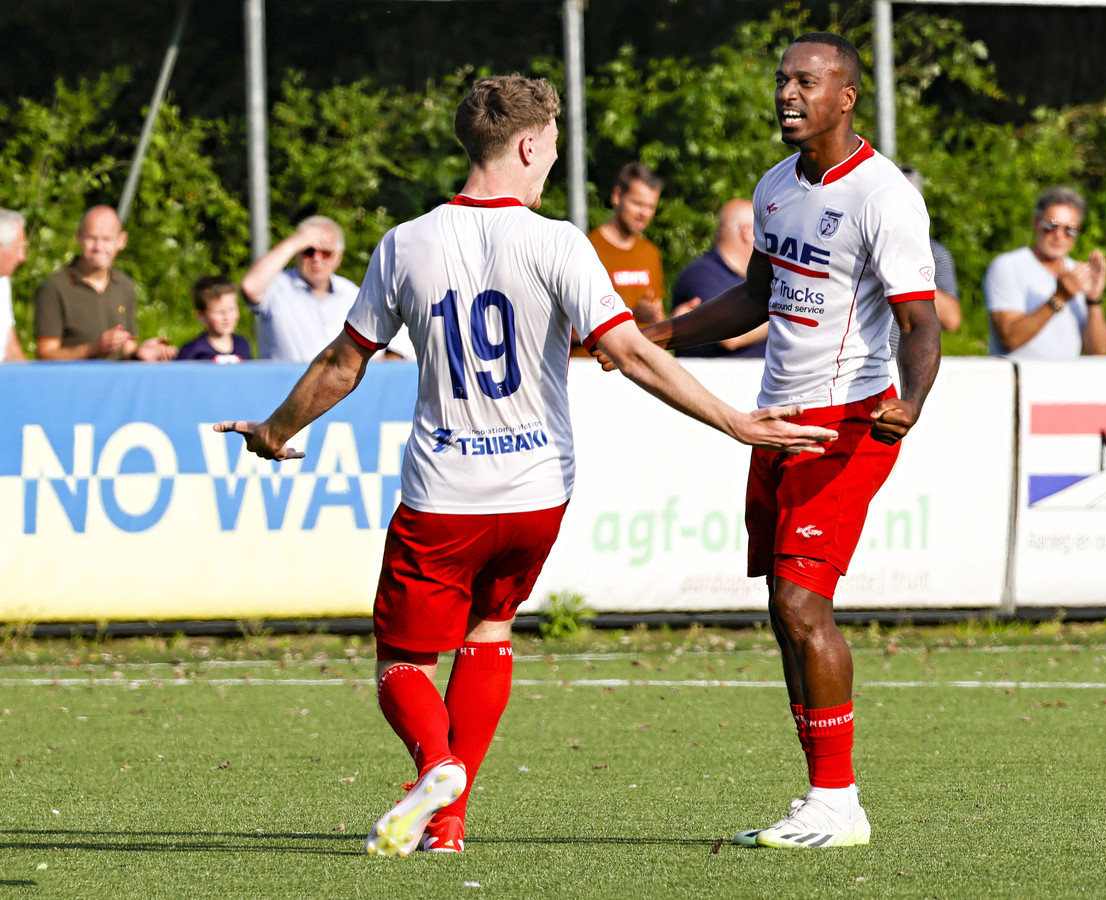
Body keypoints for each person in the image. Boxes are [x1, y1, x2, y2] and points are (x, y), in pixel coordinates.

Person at [213, 74, 835, 858]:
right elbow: (632, 354)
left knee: (402, 662)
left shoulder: (406, 242)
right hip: (537, 492)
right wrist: (733, 422)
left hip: (442, 495)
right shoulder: (557, 242)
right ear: (529, 144)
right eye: (551, 148)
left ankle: (435, 768)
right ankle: (447, 828)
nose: (550, 164)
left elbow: (344, 361)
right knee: (491, 627)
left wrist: (275, 430)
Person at [606, 32, 942, 850]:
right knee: (783, 608)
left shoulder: (883, 196)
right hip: (776, 419)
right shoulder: (774, 187)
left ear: (845, 97)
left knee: (800, 601)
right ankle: (824, 798)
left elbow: (919, 322)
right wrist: (659, 336)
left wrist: (915, 399)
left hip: (850, 420)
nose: (786, 93)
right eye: (782, 79)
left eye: (805, 81)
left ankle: (836, 799)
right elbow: (753, 298)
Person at [33, 206, 176, 361]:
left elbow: (128, 348)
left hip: (118, 383)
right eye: (92, 238)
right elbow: (45, 355)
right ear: (79, 237)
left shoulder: (125, 286)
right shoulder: (54, 287)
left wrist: (141, 354)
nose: (98, 247)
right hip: (74, 382)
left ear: (121, 241)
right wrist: (93, 349)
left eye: (107, 239)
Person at [983, 186, 1106, 358]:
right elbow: (1010, 338)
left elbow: (1097, 352)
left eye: (1069, 230)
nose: (1059, 235)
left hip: (1065, 382)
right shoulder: (1007, 266)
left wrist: (1094, 300)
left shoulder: (1077, 274)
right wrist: (1059, 298)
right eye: (1051, 226)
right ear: (1036, 223)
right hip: (1019, 381)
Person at [240, 215, 360, 362]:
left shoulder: (352, 294)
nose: (317, 258)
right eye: (308, 251)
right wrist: (294, 242)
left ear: (338, 257)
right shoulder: (276, 286)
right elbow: (250, 287)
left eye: (326, 253)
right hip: (283, 384)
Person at [670, 198, 768, 358]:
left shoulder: (757, 277)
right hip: (710, 381)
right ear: (747, 232)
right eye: (764, 231)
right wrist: (785, 314)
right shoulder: (701, 274)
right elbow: (730, 335)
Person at [589, 162, 665, 326]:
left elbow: (658, 321)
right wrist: (633, 314)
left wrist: (677, 318)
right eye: (637, 203)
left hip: (645, 350)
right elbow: (571, 327)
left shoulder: (651, 252)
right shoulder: (588, 248)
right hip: (594, 352)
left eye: (651, 206)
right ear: (617, 196)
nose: (644, 213)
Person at [898, 166, 961, 332]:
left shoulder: (936, 253)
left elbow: (951, 319)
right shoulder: (860, 242)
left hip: (907, 354)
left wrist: (903, 264)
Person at [176, 275, 253, 363]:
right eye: (219, 312)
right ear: (201, 315)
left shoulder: (243, 346)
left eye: (232, 309)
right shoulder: (193, 351)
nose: (227, 317)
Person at [0, 208, 27, 361]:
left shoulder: (3, 282)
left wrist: (31, 383)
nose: (22, 257)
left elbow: (10, 349)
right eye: (18, 249)